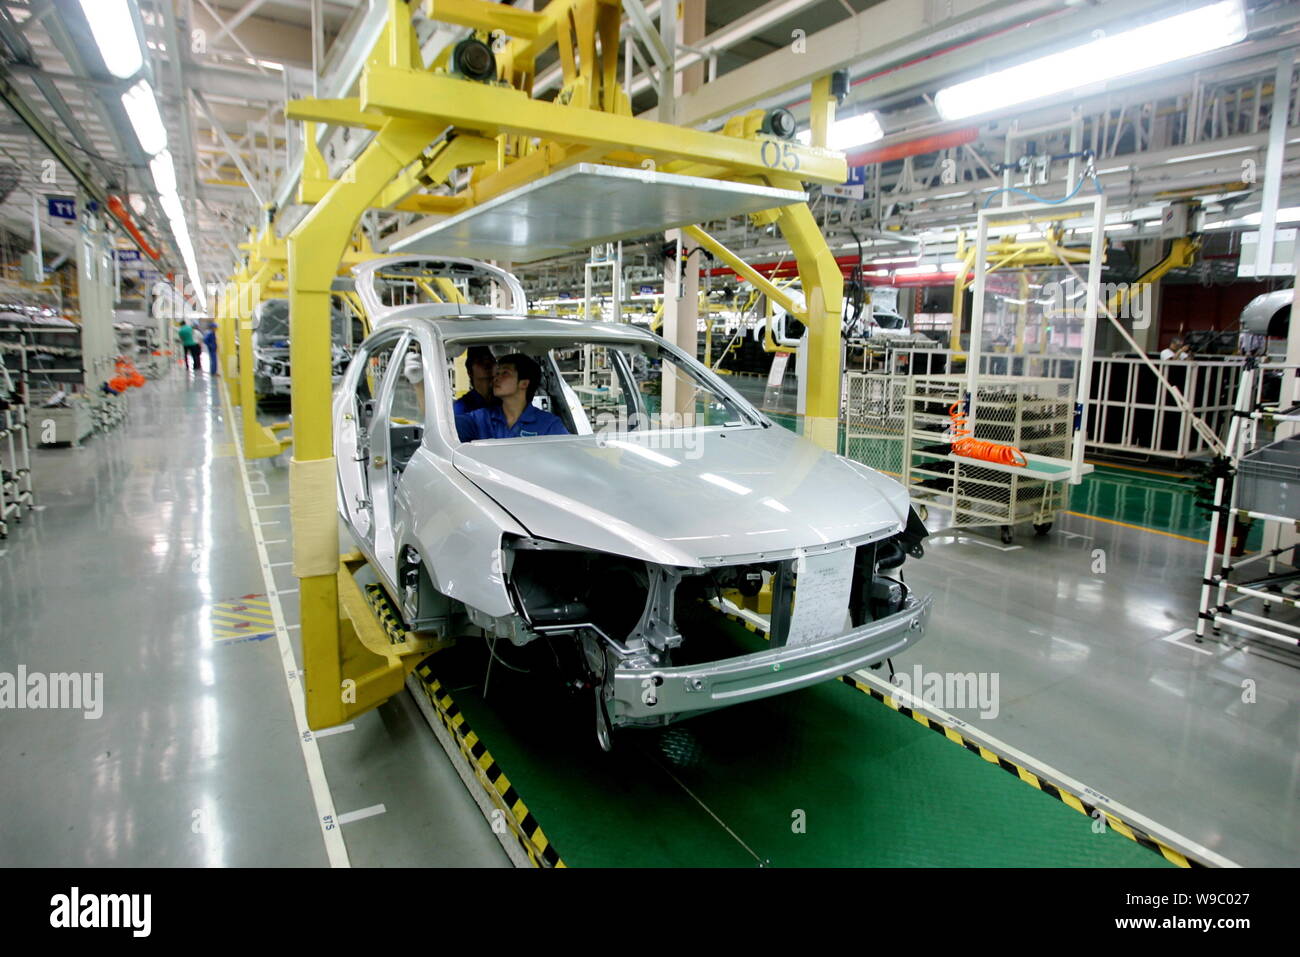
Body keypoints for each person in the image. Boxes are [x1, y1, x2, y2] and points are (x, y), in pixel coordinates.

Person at [455, 353, 568, 440]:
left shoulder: (549, 425)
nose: (496, 378)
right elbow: (443, 427)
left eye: (505, 373)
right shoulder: (481, 419)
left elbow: (567, 455)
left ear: (524, 383)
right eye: (497, 373)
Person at [453, 345, 499, 415]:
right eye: (480, 361)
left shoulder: (505, 401)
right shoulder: (461, 407)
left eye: (491, 360)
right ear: (469, 372)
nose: (487, 365)